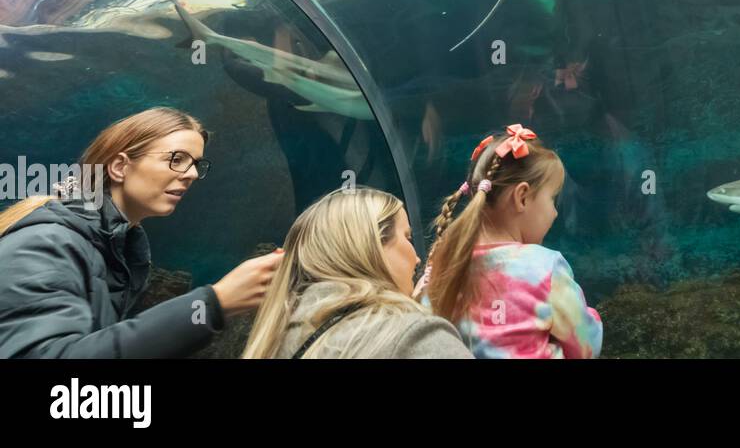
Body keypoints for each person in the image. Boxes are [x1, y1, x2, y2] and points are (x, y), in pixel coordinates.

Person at [0, 107, 282, 358]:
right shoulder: (48, 243)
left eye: (196, 164)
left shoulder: (111, 249)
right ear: (121, 166)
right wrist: (214, 303)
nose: (192, 174)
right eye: (177, 159)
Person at [420, 123, 602, 358]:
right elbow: (586, 345)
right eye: (552, 199)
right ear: (522, 197)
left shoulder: (443, 265)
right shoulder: (545, 268)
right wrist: (590, 317)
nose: (555, 213)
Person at [243, 187, 470, 358]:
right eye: (407, 237)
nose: (417, 257)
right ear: (372, 245)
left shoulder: (274, 337)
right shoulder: (413, 337)